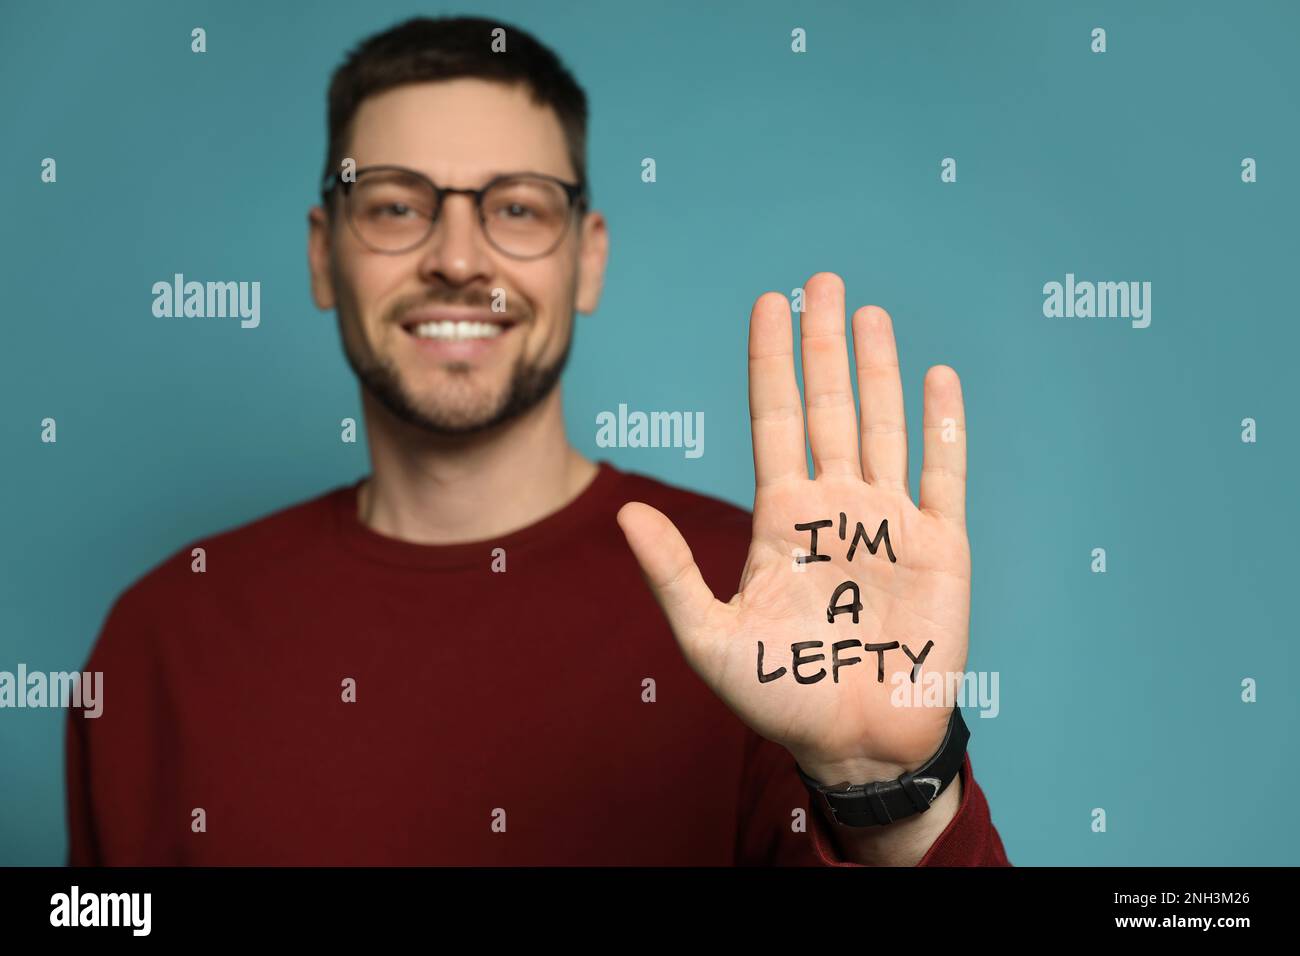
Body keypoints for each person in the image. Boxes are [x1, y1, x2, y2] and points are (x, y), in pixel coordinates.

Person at [66, 15, 1008, 866]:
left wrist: (889, 795)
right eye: (395, 204)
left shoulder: (767, 603)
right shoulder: (159, 645)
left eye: (517, 206)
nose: (459, 256)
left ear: (586, 257)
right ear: (324, 253)